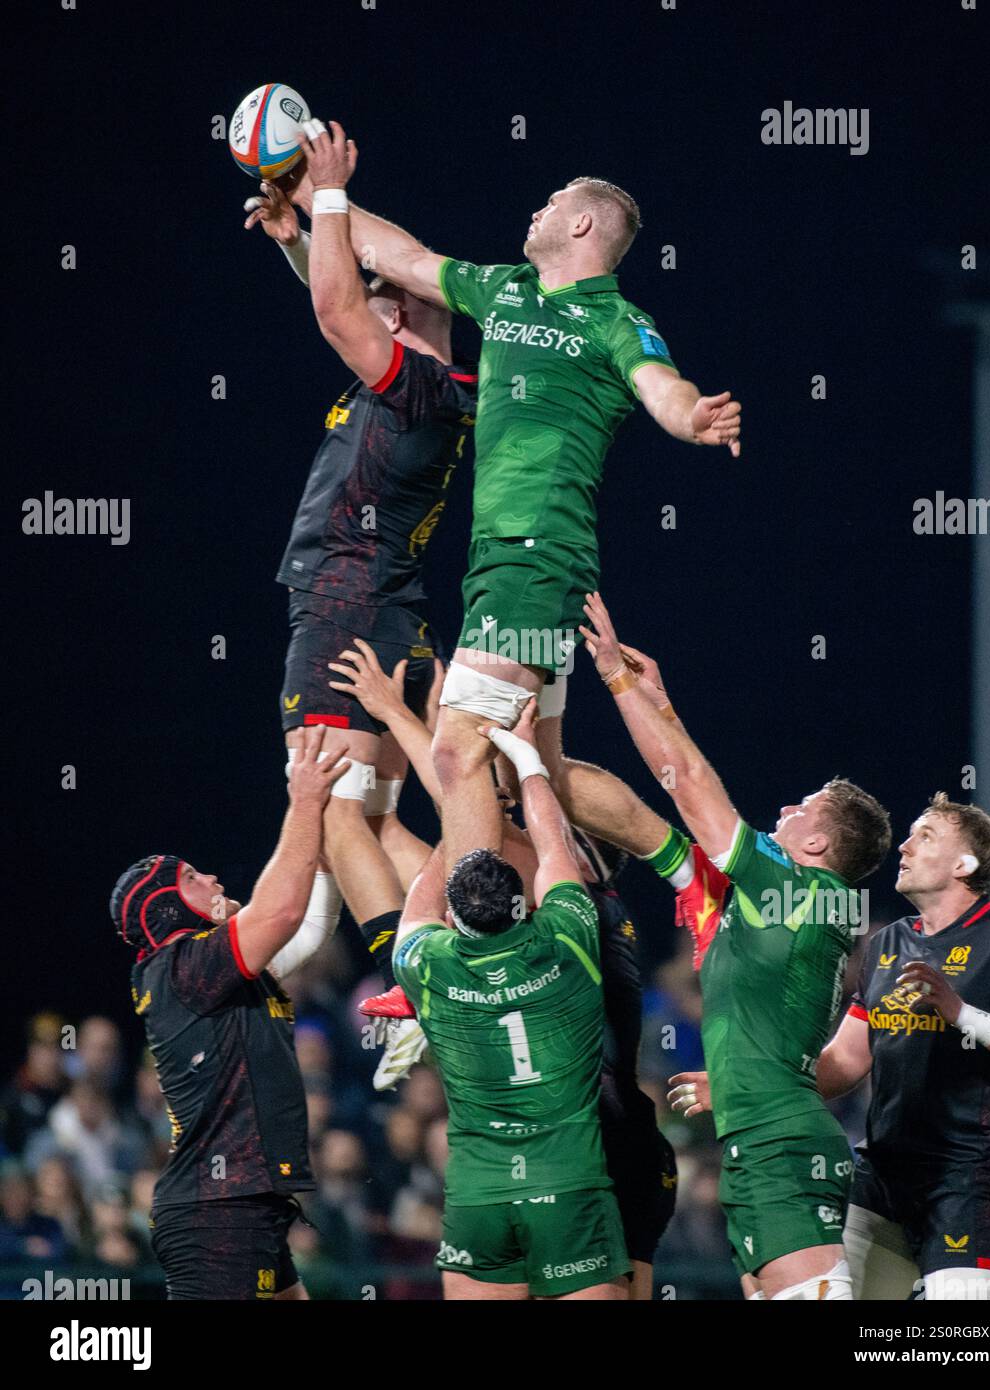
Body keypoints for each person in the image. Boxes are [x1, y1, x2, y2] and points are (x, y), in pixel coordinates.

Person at [295, 118, 741, 876]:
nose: (535, 208)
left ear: (582, 222)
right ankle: (685, 872)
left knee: (454, 747)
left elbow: (660, 386)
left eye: (551, 200)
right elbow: (399, 256)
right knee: (532, 769)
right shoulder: (505, 289)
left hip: (536, 560)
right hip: (507, 560)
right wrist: (312, 193)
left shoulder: (615, 320)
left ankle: (478, 942)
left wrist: (690, 416)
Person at [243, 133, 477, 1088]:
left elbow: (345, 302)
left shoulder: (420, 384)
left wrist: (330, 196)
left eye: (395, 300)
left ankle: (416, 976)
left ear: (410, 321)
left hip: (344, 616)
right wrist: (300, 229)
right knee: (368, 827)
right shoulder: (424, 384)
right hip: (383, 617)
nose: (376, 300)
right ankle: (464, 927)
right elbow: (346, 287)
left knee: (331, 818)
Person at [581, 592, 891, 1301]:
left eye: (801, 806)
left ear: (815, 844)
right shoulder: (797, 907)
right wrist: (661, 705)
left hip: (781, 1150)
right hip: (759, 1139)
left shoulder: (801, 891)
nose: (783, 810)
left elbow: (687, 786)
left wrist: (617, 678)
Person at [391, 703, 630, 1299]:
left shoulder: (430, 963)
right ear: (523, 907)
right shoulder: (568, 938)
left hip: (478, 1193)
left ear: (456, 919)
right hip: (569, 1185)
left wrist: (462, 811)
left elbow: (419, 907)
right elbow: (555, 849)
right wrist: (526, 760)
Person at [108, 726, 349, 1300]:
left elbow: (308, 922)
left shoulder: (203, 972)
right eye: (193, 878)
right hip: (218, 1213)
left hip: (237, 1206)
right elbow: (284, 908)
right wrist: (305, 801)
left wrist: (342, 816)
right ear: (167, 911)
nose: (214, 878)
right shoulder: (180, 965)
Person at [808, 794, 990, 1299]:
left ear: (964, 864)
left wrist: (960, 1013)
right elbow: (846, 1060)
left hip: (966, 1182)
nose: (905, 846)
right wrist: (751, 1085)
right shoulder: (887, 943)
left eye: (925, 835)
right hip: (881, 1179)